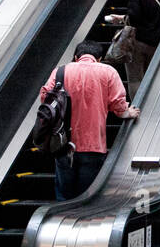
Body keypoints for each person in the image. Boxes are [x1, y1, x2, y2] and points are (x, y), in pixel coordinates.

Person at [40, 40, 140, 200]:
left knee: (64, 194)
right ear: (99, 58)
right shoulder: (108, 72)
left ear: (75, 57)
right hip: (94, 145)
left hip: (63, 143)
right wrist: (128, 112)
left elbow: (45, 97)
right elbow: (118, 105)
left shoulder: (60, 72)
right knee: (87, 195)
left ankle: (60, 220)